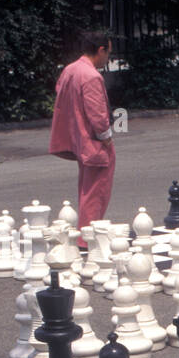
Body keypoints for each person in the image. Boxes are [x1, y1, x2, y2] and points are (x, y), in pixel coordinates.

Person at [50, 30, 115, 232]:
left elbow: (60, 91)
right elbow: (98, 114)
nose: (108, 58)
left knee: (87, 189)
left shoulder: (70, 69)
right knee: (96, 192)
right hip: (92, 141)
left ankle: (84, 235)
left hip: (77, 138)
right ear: (100, 50)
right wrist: (107, 138)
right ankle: (87, 239)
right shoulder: (92, 76)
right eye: (108, 53)